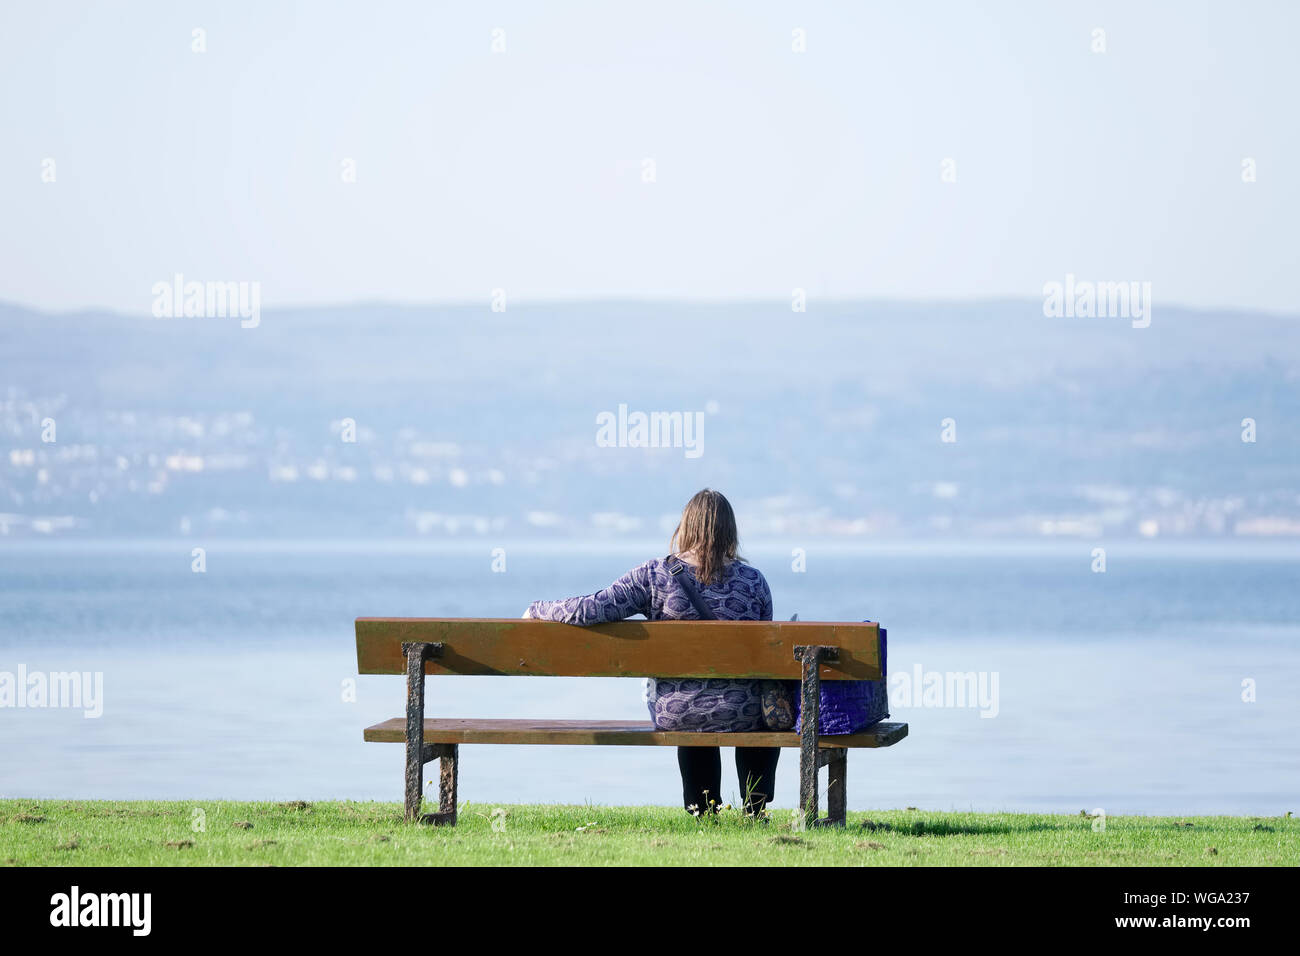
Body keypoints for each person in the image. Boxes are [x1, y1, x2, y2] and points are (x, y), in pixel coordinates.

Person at [523, 488, 779, 815]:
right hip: (744, 713)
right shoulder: (754, 582)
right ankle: (755, 807)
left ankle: (702, 808)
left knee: (690, 706)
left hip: (678, 712)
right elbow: (766, 655)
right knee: (751, 709)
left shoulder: (655, 575)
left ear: (685, 526)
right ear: (731, 531)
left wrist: (538, 609)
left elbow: (592, 609)